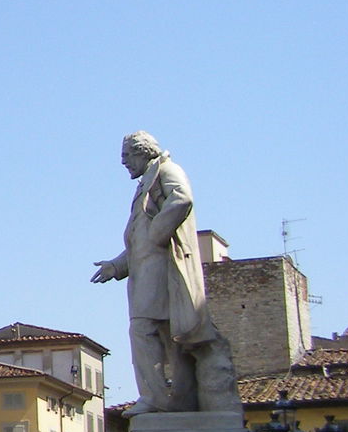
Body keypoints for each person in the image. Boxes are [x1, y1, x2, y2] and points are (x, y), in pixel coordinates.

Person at [91, 131, 239, 414]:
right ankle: (182, 400)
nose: (124, 162)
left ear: (143, 151)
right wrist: (116, 266)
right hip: (146, 269)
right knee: (171, 336)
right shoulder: (149, 179)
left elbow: (182, 198)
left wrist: (159, 232)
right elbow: (139, 240)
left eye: (127, 155)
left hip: (161, 269)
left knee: (143, 329)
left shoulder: (167, 170)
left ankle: (154, 397)